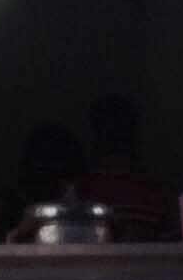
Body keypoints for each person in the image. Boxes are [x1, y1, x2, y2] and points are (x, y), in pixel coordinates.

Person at [74, 92, 173, 240]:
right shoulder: (80, 192)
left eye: (119, 129)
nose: (114, 135)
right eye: (108, 129)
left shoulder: (158, 193)